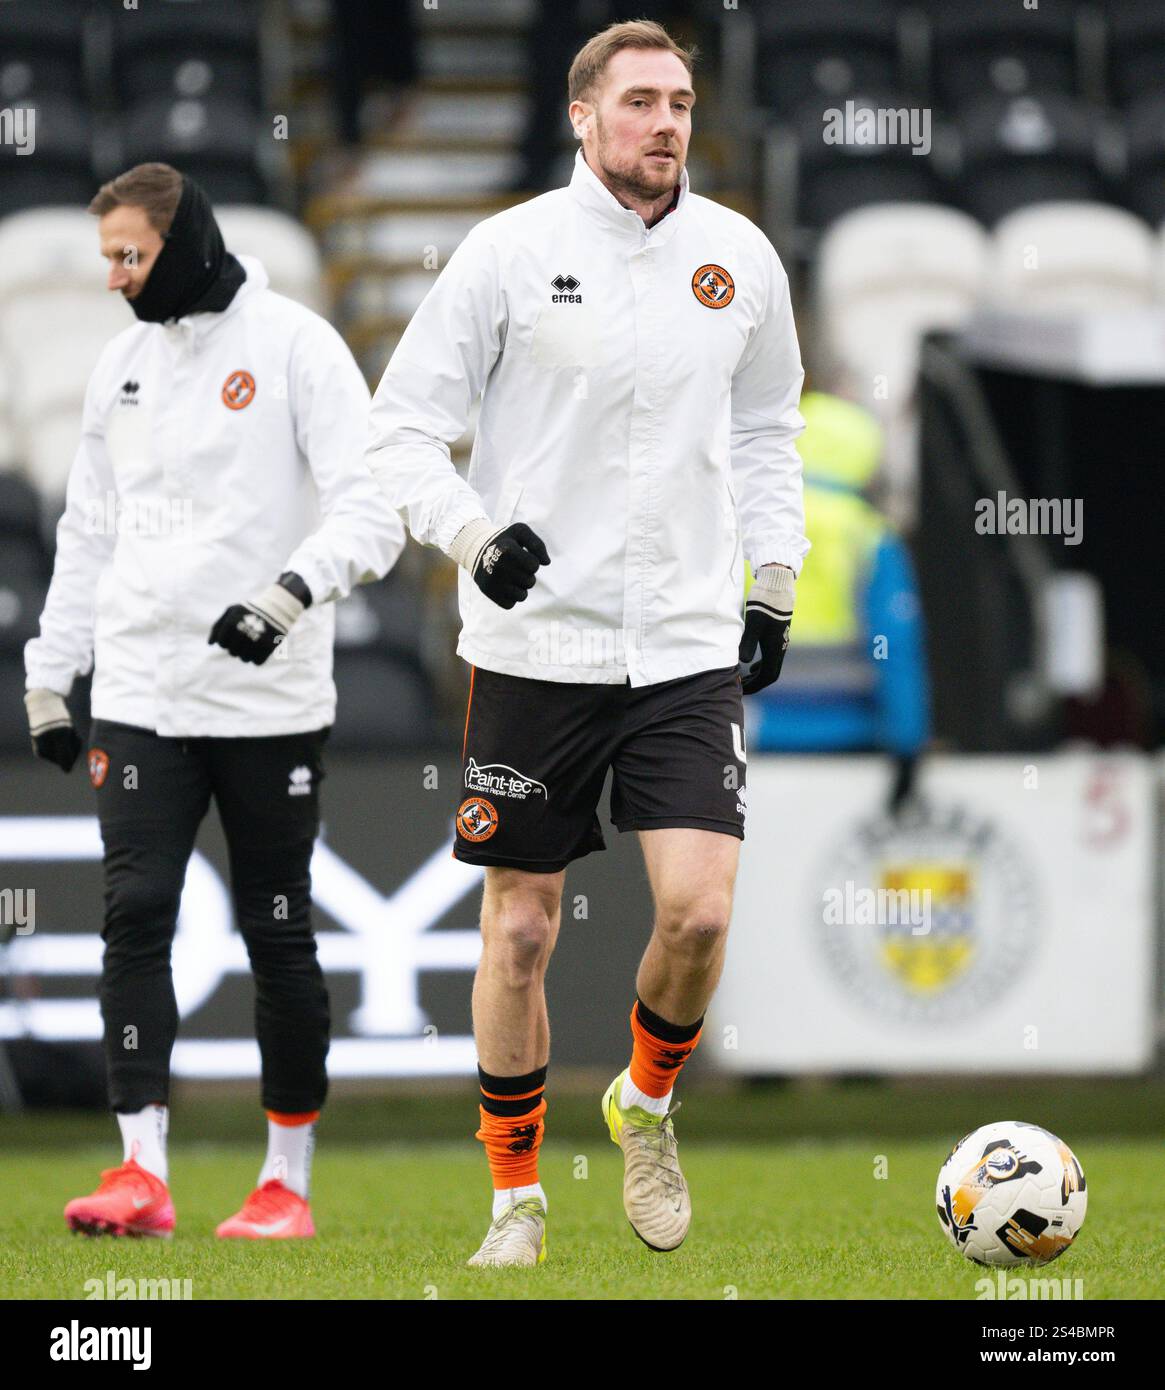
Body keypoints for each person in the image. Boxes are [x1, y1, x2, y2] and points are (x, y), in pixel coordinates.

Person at [366, 21, 808, 1266]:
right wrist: (472, 532)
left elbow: (771, 430)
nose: (665, 123)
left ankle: (645, 1102)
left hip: (683, 644)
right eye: (638, 102)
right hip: (533, 648)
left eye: (678, 102)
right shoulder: (506, 255)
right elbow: (399, 433)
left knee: (701, 914)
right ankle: (515, 1198)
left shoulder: (739, 258)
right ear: (581, 116)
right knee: (518, 931)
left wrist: (771, 584)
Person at [23, 163, 405, 1240]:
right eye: (107, 258)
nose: (113, 279)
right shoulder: (121, 367)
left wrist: (286, 596)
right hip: (142, 689)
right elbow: (88, 530)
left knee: (276, 929)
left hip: (269, 698)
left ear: (183, 242)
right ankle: (141, 1170)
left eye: (129, 256)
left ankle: (285, 1181)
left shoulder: (296, 346)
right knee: (134, 913)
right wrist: (52, 673)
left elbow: (372, 513)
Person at [747, 391, 930, 811]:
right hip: (848, 736)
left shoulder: (744, 525)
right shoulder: (870, 537)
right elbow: (895, 649)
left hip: (750, 735)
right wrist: (907, 744)